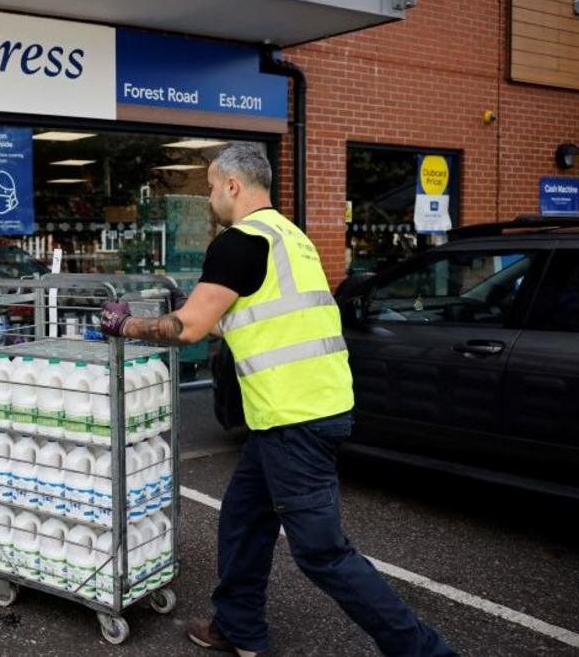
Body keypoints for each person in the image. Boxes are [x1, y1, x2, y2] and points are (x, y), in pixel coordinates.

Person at [100, 143, 454, 657]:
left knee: (324, 554)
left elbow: (190, 329)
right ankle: (239, 626)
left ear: (233, 186)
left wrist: (125, 323)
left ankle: (425, 651)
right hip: (303, 410)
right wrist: (197, 303)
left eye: (210, 187)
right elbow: (232, 315)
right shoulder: (291, 237)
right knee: (243, 519)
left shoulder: (238, 241)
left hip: (296, 420)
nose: (209, 197)